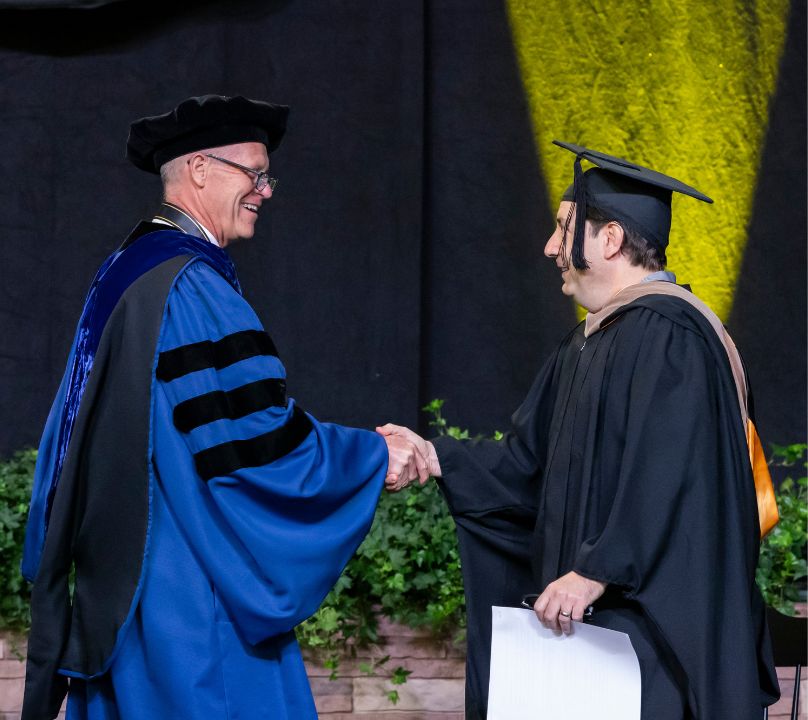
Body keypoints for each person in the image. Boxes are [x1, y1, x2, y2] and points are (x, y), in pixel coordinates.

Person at [21, 94, 427, 720]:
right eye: (254, 174)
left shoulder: (127, 271)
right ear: (200, 170)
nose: (265, 191)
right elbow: (253, 444)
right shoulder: (188, 285)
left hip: (125, 588)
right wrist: (374, 454)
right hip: (191, 596)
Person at [379, 141, 780, 719]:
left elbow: (672, 478)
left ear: (610, 239)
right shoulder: (590, 342)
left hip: (652, 649)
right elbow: (529, 466)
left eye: (564, 228)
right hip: (591, 647)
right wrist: (434, 455)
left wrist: (595, 571)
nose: (550, 246)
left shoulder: (673, 338)